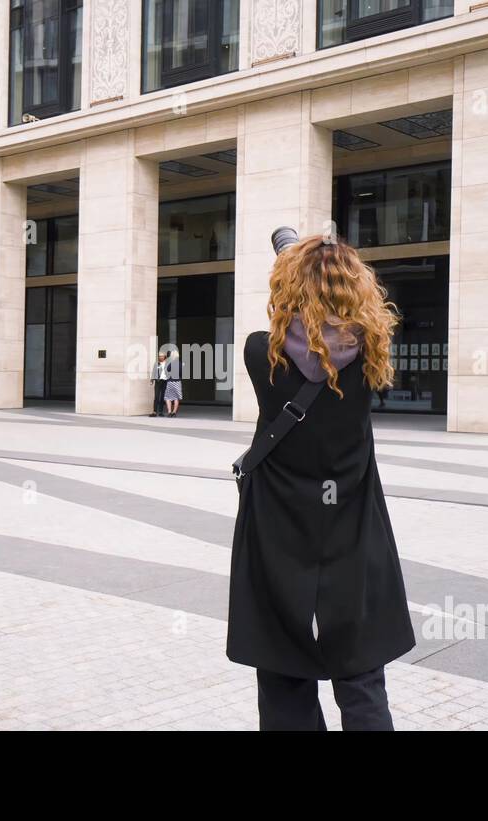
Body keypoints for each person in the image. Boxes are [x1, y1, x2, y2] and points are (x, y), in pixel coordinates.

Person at [227, 234, 415, 731]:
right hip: (352, 536)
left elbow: (292, 333)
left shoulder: (257, 354)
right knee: (361, 683)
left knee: (284, 680)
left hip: (278, 538)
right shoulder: (371, 354)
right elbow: (338, 331)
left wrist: (291, 258)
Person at [163, 352, 182, 417]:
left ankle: (169, 412)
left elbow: (167, 370)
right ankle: (174, 412)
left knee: (168, 397)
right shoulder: (180, 364)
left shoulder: (171, 363)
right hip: (177, 382)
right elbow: (181, 373)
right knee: (176, 398)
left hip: (170, 381)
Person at [150, 351, 168, 417]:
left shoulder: (167, 363)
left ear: (164, 357)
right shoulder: (157, 363)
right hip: (158, 381)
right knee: (156, 396)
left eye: (161, 356)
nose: (160, 357)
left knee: (162, 397)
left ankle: (160, 412)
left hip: (165, 381)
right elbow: (153, 371)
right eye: (159, 356)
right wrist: (152, 379)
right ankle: (154, 411)